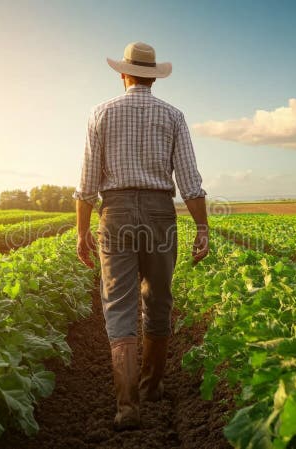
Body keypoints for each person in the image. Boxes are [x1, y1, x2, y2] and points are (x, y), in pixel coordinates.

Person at [73, 41, 209, 430]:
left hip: (113, 212)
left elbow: (85, 184)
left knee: (118, 305)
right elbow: (189, 181)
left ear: (124, 73)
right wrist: (202, 227)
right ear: (153, 77)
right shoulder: (174, 116)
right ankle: (151, 387)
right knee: (159, 299)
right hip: (160, 213)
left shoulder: (101, 113)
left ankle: (128, 405)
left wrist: (82, 230)